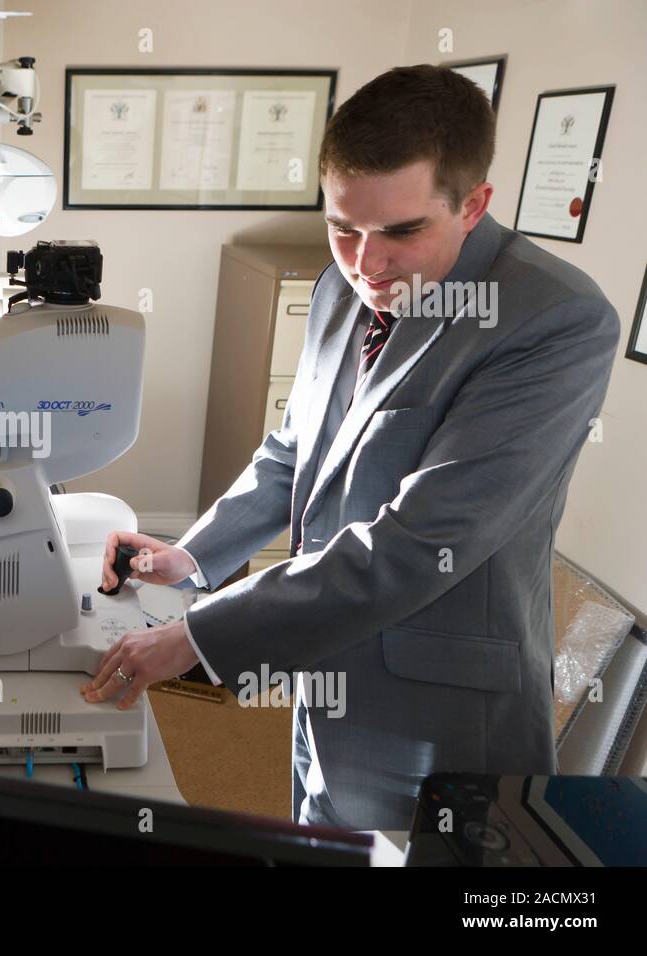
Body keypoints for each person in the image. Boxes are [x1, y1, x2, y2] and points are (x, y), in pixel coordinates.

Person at [84, 65, 620, 831]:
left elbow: (417, 544)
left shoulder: (556, 321)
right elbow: (292, 451)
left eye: (401, 231)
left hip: (436, 703)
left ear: (474, 205)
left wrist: (198, 634)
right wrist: (193, 558)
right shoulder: (342, 288)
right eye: (343, 228)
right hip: (320, 667)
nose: (366, 264)